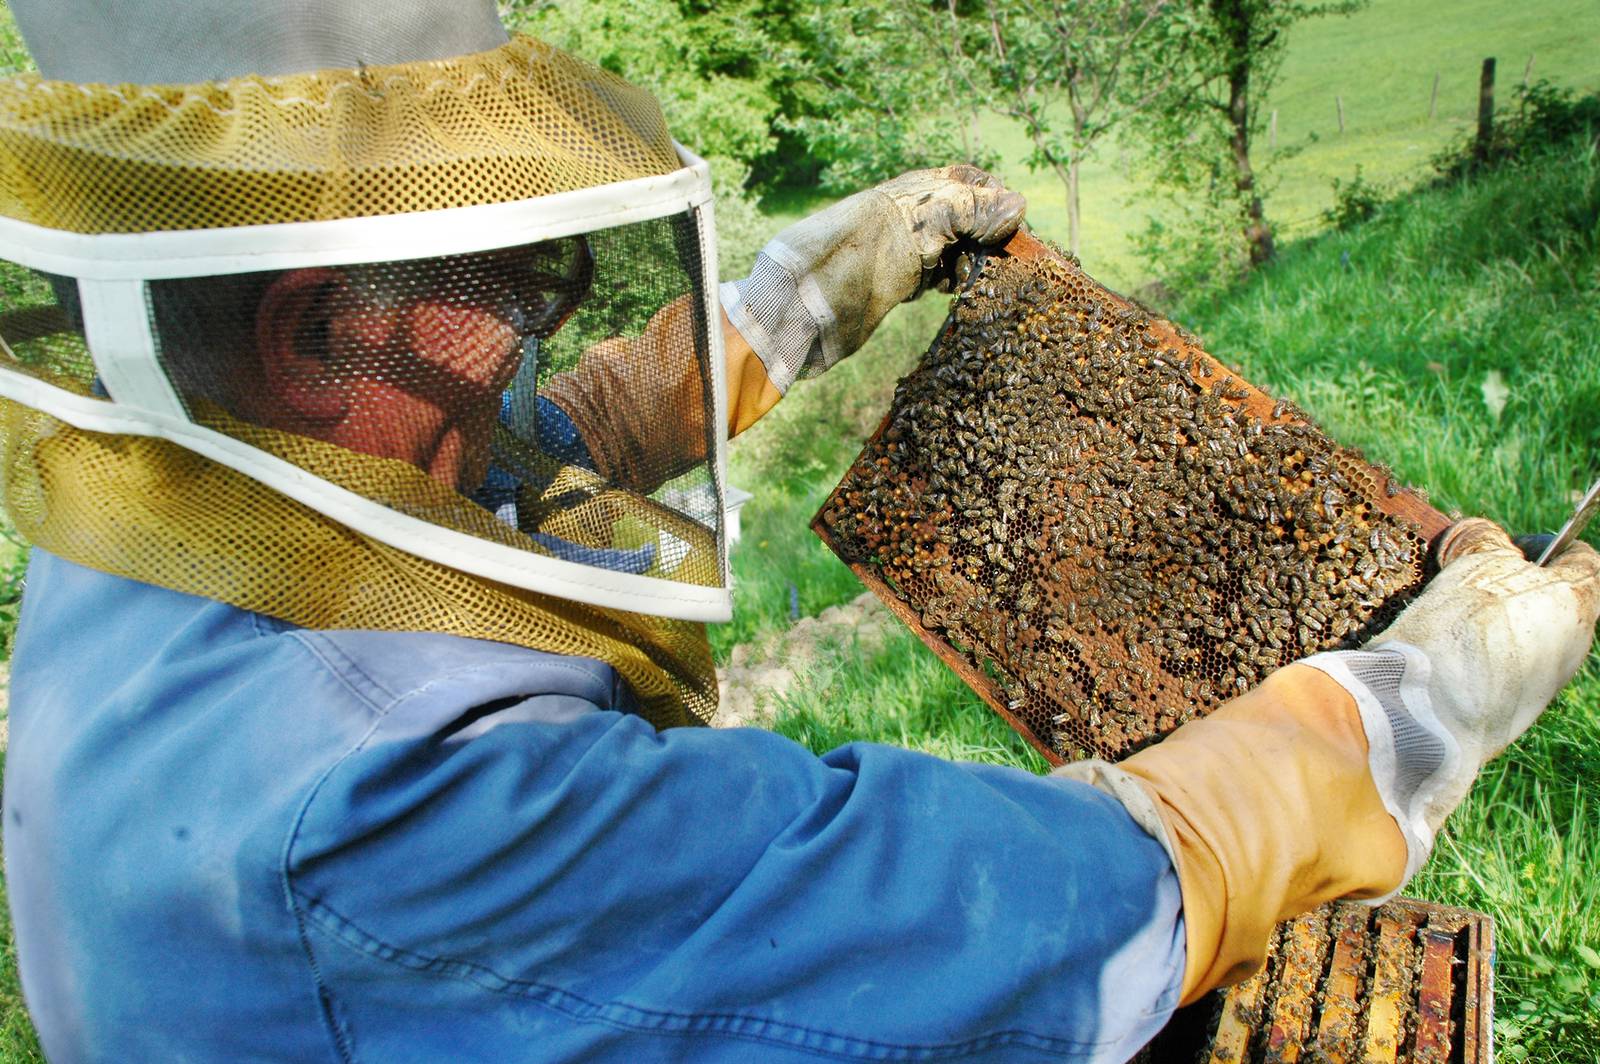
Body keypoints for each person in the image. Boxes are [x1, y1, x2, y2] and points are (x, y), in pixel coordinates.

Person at [0, 3, 1594, 1062]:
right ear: (307, 337)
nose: (546, 329)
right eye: (513, 280)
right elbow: (1006, 926)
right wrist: (1403, 720)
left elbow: (491, 455)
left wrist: (787, 311)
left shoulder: (164, 506)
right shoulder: (394, 814)